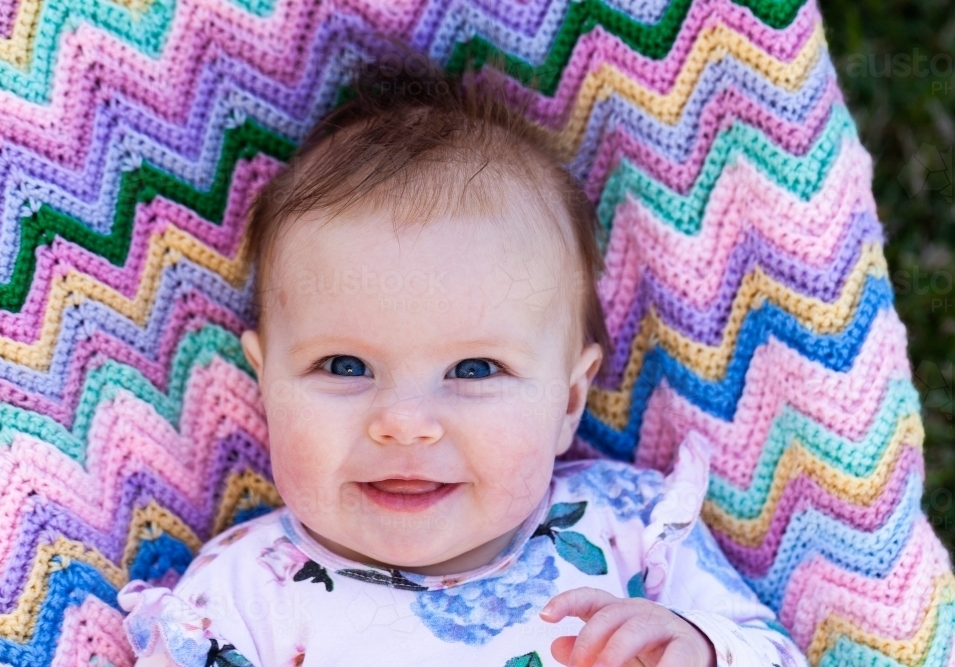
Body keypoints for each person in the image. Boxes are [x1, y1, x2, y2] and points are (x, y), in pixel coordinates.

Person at [117, 47, 808, 667]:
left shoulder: (632, 526)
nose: (406, 422)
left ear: (569, 401)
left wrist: (702, 648)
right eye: (346, 366)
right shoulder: (242, 588)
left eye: (474, 370)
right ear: (265, 383)